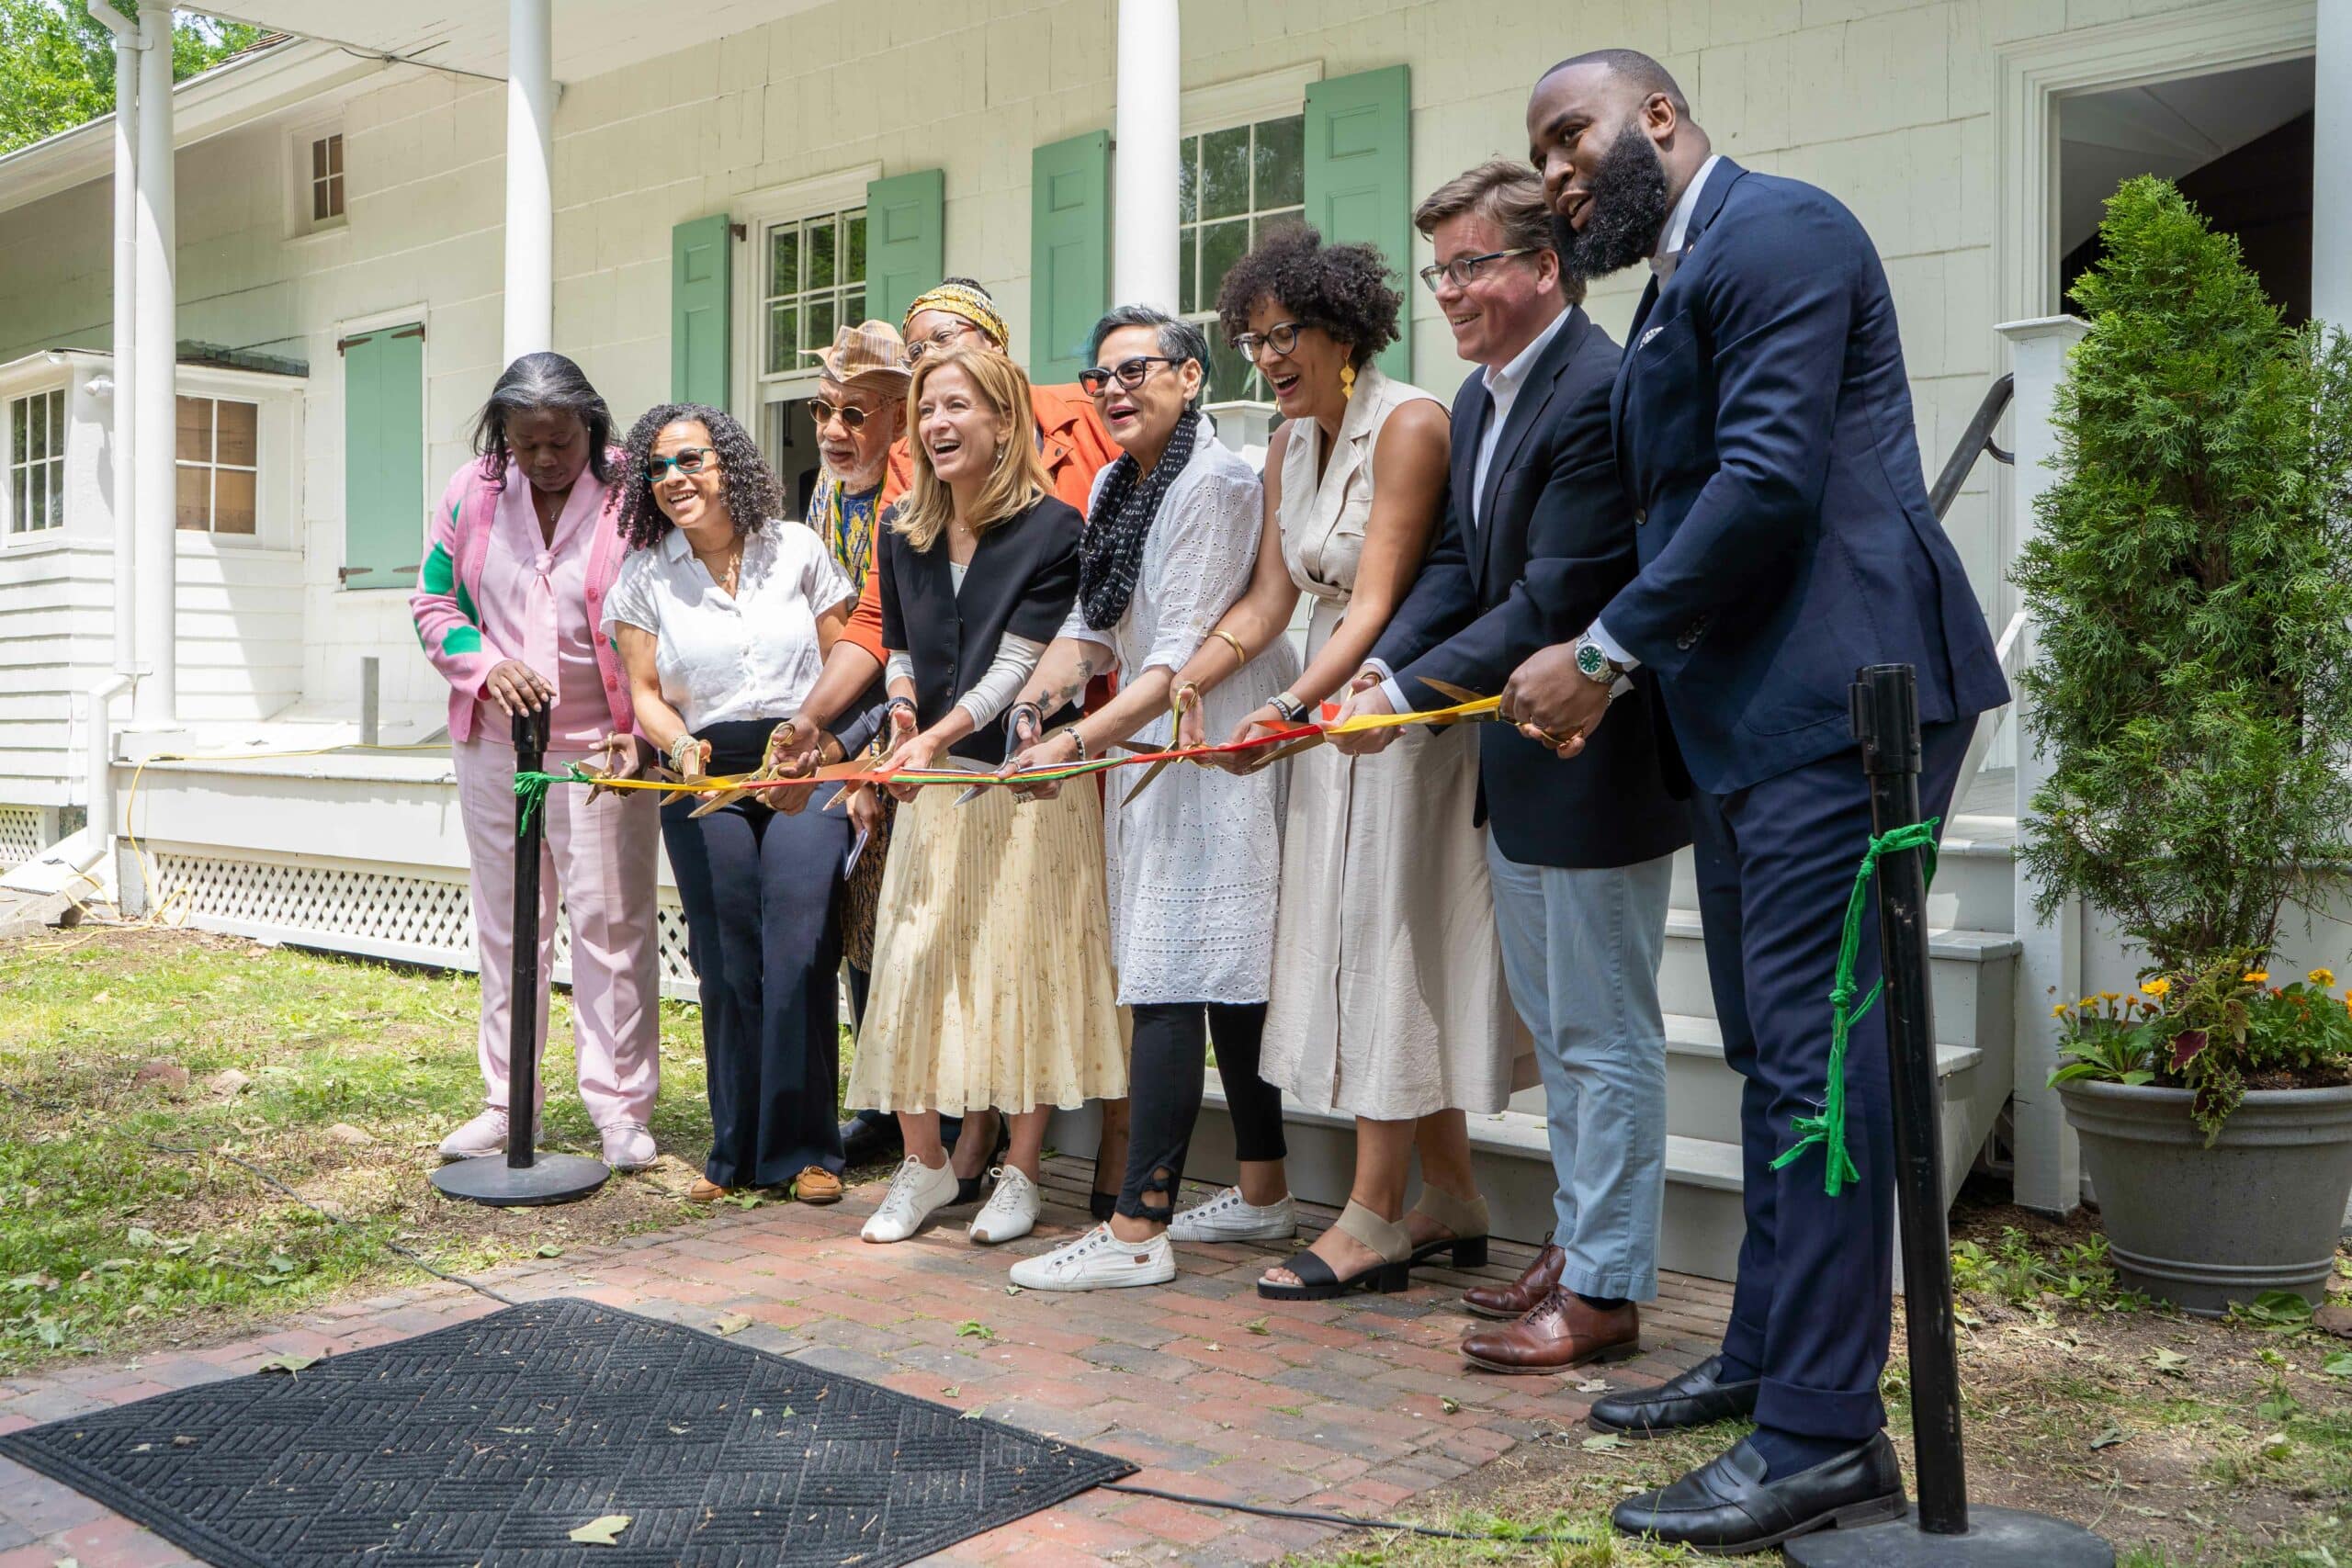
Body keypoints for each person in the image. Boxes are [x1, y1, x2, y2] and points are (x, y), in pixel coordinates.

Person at [1507, 51, 2007, 1553]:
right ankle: (1770, 1356)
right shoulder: (1670, 286)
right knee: (1770, 1053)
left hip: (1842, 707)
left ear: (1659, 116)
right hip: (1741, 724)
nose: (1556, 173)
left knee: (1819, 1067)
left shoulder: (1780, 228)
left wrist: (1604, 654)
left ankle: (1823, 1435)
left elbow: (1771, 478)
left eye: (1572, 136)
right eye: (1539, 155)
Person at [1330, 160, 1691, 1368]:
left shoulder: (1596, 389)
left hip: (1597, 766)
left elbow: (1555, 596)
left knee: (1602, 1035)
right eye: (1439, 269)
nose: (1447, 291)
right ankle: (1580, 1245)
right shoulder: (1481, 399)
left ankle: (1604, 1290)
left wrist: (1405, 697)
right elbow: (1459, 570)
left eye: (1472, 265)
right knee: (1561, 1026)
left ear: (1546, 266)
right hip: (1518, 766)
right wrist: (1384, 669)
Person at [1205, 224, 1527, 1301]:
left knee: (1388, 944)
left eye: (1285, 334)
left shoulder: (1411, 423)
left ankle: (1375, 1215)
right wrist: (1199, 688)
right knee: (1357, 937)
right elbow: (1269, 600)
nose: (1269, 358)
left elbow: (1380, 600)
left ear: (1343, 329)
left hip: (1398, 710)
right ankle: (1455, 1197)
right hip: (1323, 704)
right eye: (1253, 340)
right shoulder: (1285, 444)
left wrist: (1293, 707)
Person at [777, 278, 1128, 1214]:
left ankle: (1021, 1169)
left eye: (954, 396)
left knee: (1021, 972)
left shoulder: (1056, 523)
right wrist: (892, 714)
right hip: (932, 782)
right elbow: (891, 643)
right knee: (912, 968)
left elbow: (1017, 665)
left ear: (1002, 412)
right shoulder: (901, 528)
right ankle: (927, 1161)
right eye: (923, 398)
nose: (934, 416)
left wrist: (930, 737)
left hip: (1022, 777)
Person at [991, 307, 1299, 1292]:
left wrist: (1075, 741)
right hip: (1150, 744)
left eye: (1136, 370)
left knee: (1177, 969)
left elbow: (1174, 664)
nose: (1114, 391)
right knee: (1211, 964)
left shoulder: (1216, 484)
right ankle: (1263, 1190)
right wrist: (1033, 706)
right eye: (1100, 377)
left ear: (1191, 376)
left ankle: (1136, 1229)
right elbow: (1094, 628)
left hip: (1217, 738)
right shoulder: (1117, 482)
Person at [602, 403, 859, 1205]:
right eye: (658, 467)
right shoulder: (645, 574)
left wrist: (822, 745)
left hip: (800, 763)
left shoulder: (798, 548)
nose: (673, 477)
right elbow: (644, 693)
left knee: (799, 944)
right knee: (727, 957)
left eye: (691, 459)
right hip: (705, 775)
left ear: (730, 464)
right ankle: (736, 1150)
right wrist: (679, 747)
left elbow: (846, 656)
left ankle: (806, 1149)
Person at [413, 353, 661, 1173]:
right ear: (503, 437)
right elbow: (433, 601)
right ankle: (506, 1101)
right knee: (509, 924)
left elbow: (668, 599)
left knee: (610, 926)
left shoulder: (632, 489)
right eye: (528, 445)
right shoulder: (473, 491)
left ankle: (619, 1106)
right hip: (496, 744)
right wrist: (485, 666)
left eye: (562, 441)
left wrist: (649, 723)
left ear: (591, 423)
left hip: (603, 749)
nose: (547, 459)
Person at [799, 321, 914, 1022]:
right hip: (840, 731)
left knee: (899, 924)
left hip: (909, 730)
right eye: (822, 408)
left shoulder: (918, 496)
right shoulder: (827, 490)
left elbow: (896, 636)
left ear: (900, 417)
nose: (831, 430)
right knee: (855, 926)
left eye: (852, 413)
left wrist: (869, 760)